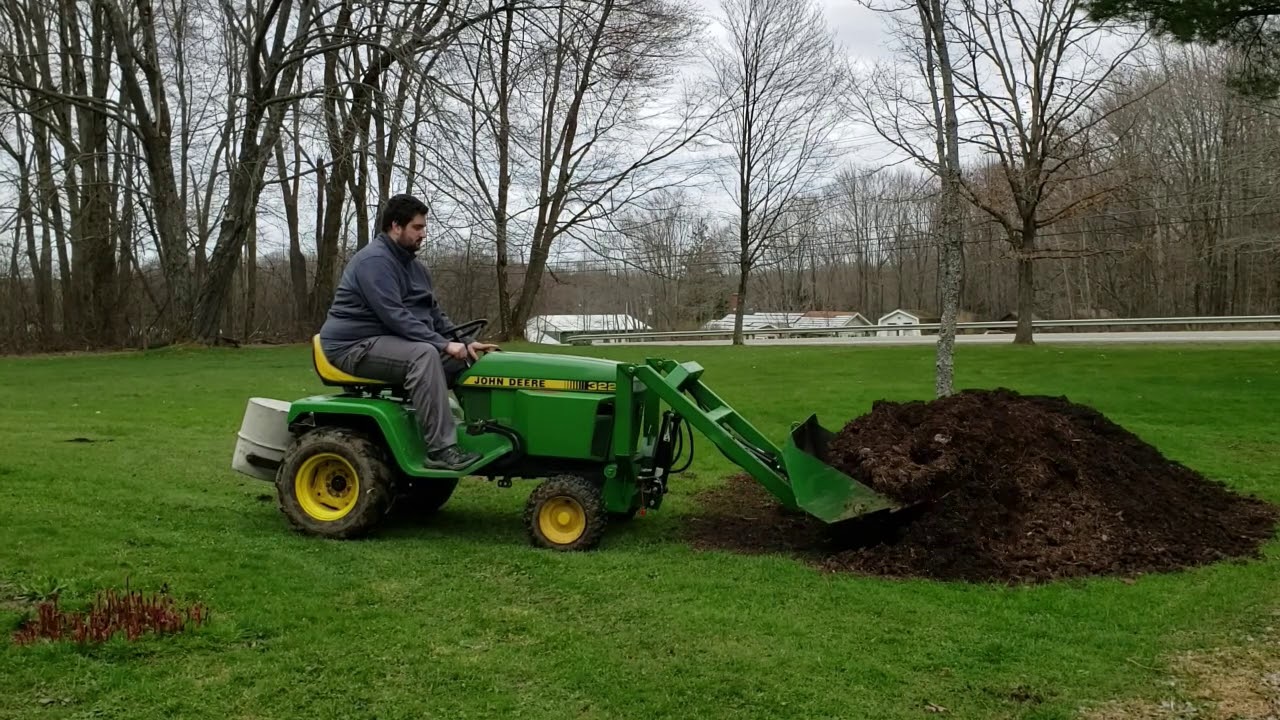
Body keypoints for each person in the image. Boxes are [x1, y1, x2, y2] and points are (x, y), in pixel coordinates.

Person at [319, 193, 498, 471]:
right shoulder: (374, 262)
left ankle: (486, 433)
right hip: (352, 344)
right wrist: (443, 345)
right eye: (417, 227)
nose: (423, 234)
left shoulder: (417, 269)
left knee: (467, 359)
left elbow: (435, 315)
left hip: (388, 340)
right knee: (424, 354)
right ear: (396, 226)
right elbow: (395, 316)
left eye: (424, 227)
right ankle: (441, 450)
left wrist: (466, 343)